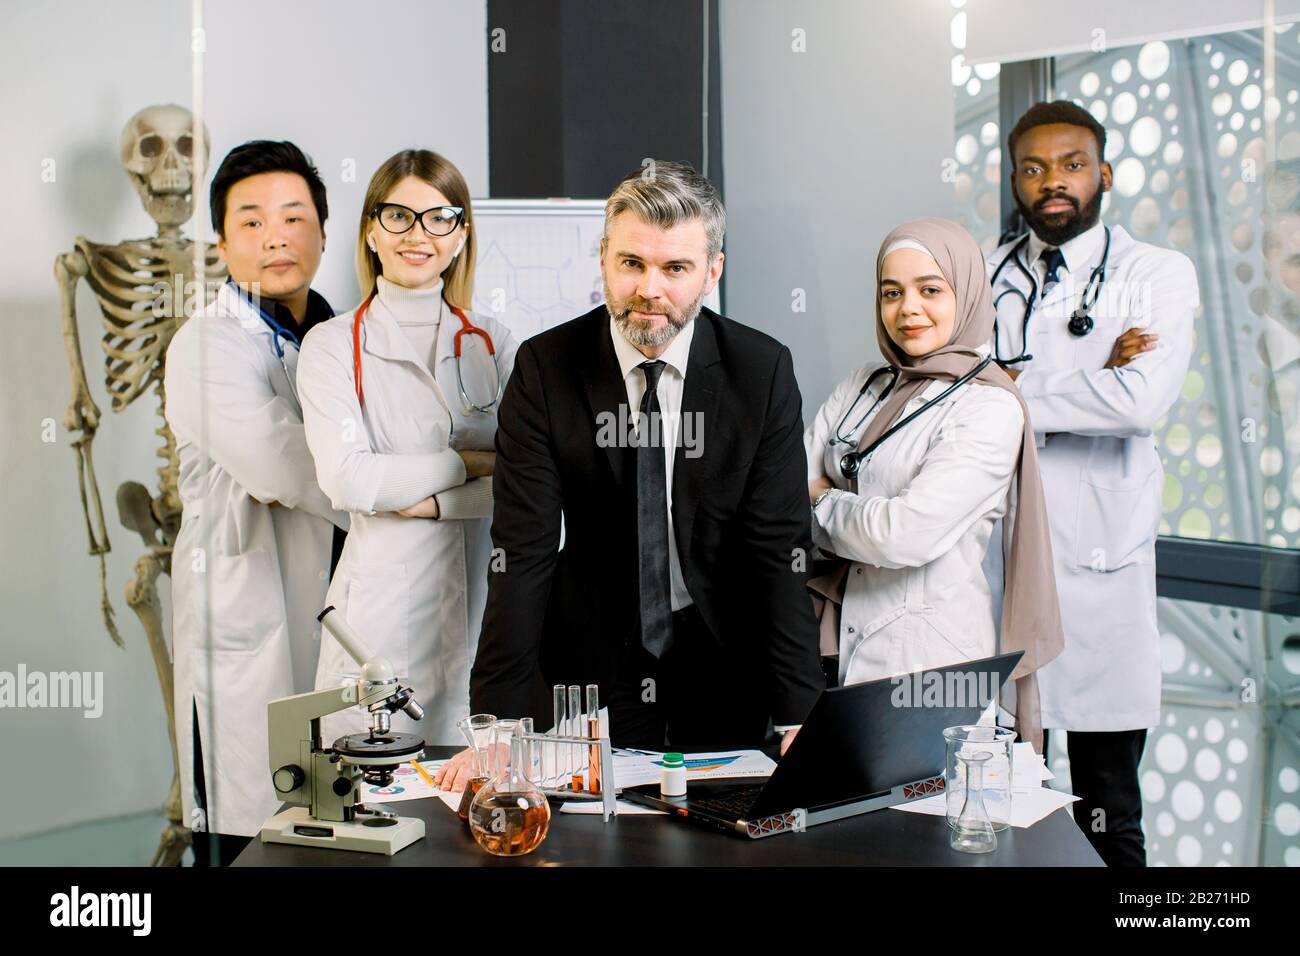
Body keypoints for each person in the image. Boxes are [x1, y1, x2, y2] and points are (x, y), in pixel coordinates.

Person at [435, 160, 825, 790]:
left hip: (722, 651)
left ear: (712, 271)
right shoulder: (545, 369)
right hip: (590, 658)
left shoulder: (761, 371)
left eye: (676, 268)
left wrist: (799, 712)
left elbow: (780, 550)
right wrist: (498, 726)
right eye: (632, 264)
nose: (650, 289)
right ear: (603, 260)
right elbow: (522, 552)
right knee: (592, 839)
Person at [985, 101, 1199, 866]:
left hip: (1102, 578)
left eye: (1072, 165)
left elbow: (1137, 402)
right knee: (1005, 814)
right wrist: (1088, 375)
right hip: (1000, 579)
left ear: (1103, 174)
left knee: (1110, 819)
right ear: (1014, 179)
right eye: (1034, 168)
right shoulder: (981, 273)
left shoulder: (1156, 274)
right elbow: (953, 401)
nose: (1054, 183)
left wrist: (1011, 390)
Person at [805, 218, 1063, 746]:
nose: (908, 309)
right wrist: (835, 508)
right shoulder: (864, 383)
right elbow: (781, 494)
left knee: (922, 821)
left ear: (965, 292)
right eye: (891, 292)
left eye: (930, 290)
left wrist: (823, 500)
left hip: (931, 667)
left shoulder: (989, 406)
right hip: (831, 650)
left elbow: (903, 535)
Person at [165, 140, 349, 865]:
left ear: (325, 233)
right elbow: (294, 468)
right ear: (220, 243)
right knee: (252, 842)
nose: (276, 236)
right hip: (251, 643)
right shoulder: (205, 347)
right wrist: (439, 480)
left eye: (294, 216)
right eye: (251, 221)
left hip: (343, 626)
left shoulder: (342, 339)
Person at [297, 149, 517, 746]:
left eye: (439, 217)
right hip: (379, 618)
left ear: (461, 234)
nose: (417, 234)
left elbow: (527, 484)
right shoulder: (331, 344)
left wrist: (428, 502)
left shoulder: (495, 343)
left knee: (481, 802)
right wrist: (470, 463)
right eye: (398, 216)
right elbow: (350, 483)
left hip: (483, 604)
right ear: (371, 228)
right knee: (380, 802)